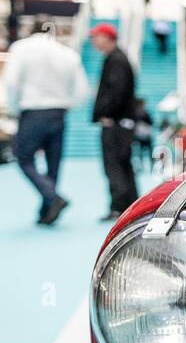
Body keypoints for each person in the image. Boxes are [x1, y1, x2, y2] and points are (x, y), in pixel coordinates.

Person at [2, 23, 88, 226]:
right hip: (59, 112)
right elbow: (82, 89)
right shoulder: (67, 53)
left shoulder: (21, 48)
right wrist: (68, 105)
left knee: (23, 157)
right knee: (53, 163)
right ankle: (47, 211)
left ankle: (52, 197)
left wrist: (14, 109)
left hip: (32, 110)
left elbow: (12, 82)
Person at [88, 23, 137, 222]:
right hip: (120, 122)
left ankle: (119, 205)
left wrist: (107, 114)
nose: (93, 41)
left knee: (115, 165)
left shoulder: (116, 60)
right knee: (122, 164)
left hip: (115, 123)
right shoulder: (117, 58)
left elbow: (117, 91)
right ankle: (129, 204)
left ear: (107, 37)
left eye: (96, 36)